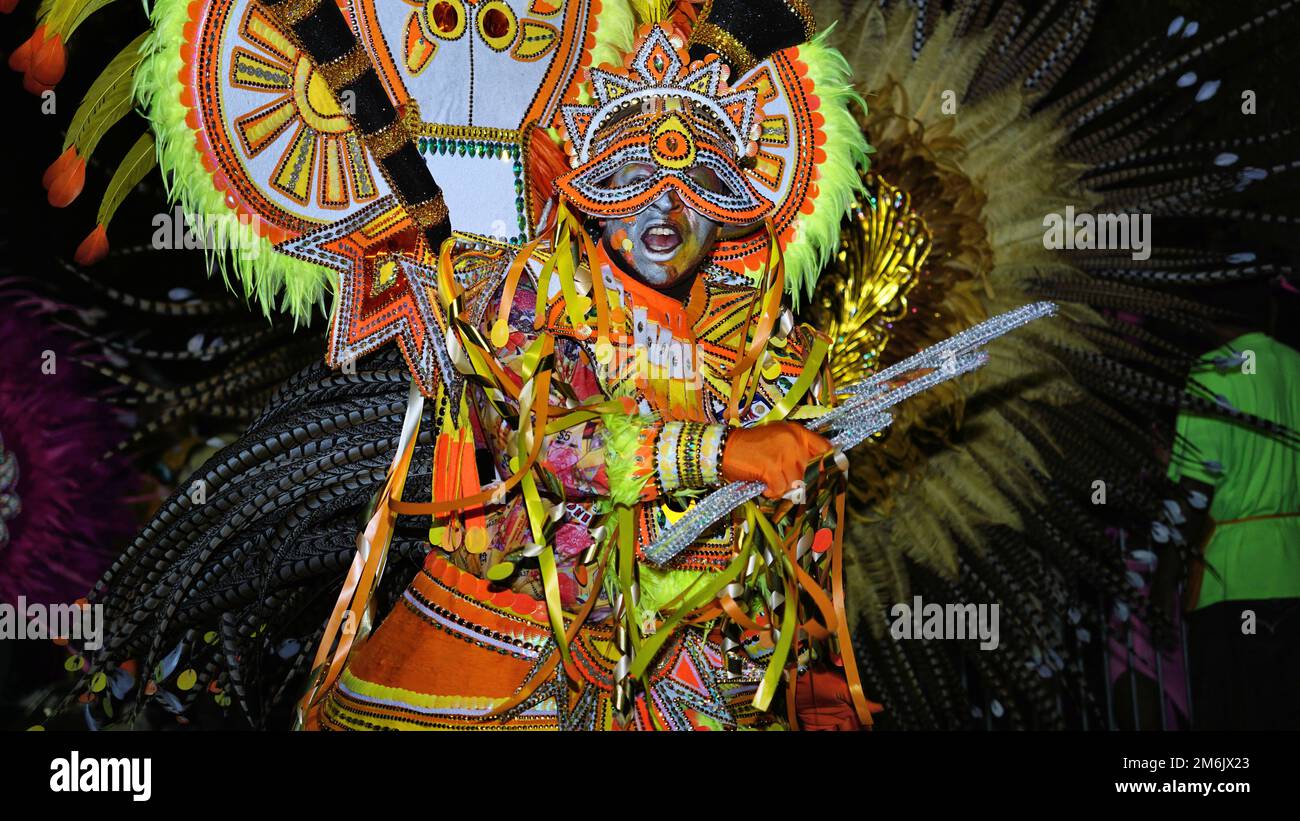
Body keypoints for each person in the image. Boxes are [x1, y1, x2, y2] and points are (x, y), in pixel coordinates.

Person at [1164, 310, 1300, 730]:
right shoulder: (1295, 362)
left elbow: (1194, 491)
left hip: (1234, 580)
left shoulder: (1214, 371)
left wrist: (1162, 584)